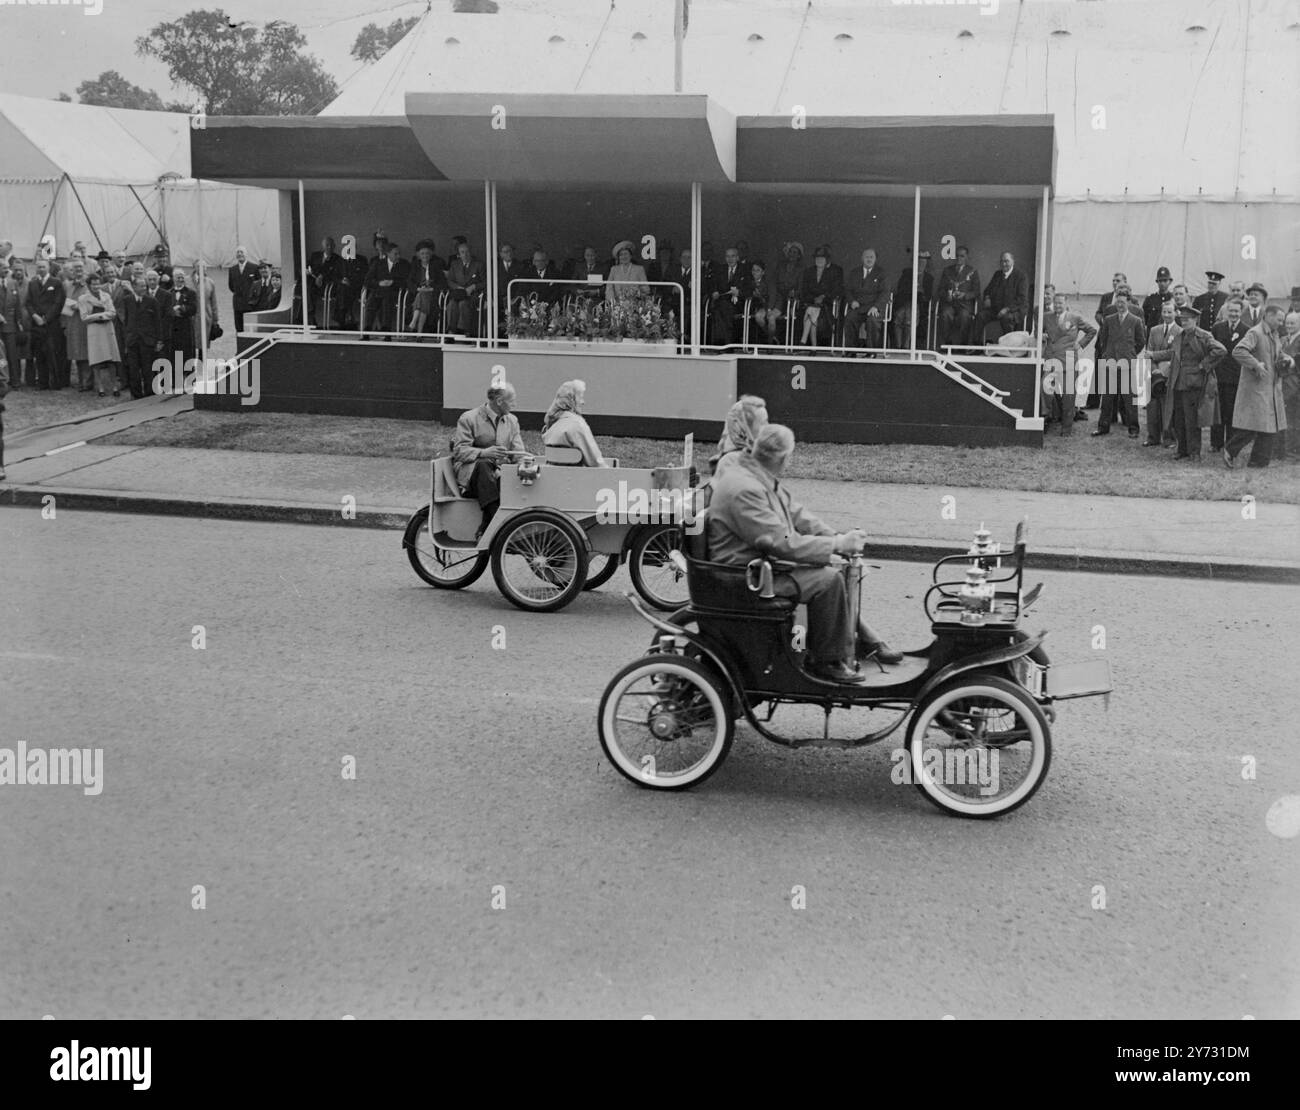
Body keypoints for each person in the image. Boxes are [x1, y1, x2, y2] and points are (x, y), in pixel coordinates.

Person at [707, 423, 900, 684]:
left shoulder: (754, 474)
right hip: (747, 577)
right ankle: (826, 661)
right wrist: (836, 545)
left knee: (834, 573)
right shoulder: (747, 488)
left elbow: (798, 515)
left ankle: (854, 640)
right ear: (784, 458)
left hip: (759, 566)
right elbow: (781, 540)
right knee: (827, 581)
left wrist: (835, 539)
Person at [453, 382, 526, 537]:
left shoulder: (512, 421)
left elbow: (518, 453)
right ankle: (497, 523)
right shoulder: (469, 418)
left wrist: (523, 467)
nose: (515, 404)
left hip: (498, 476)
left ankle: (487, 525)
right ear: (499, 401)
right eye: (512, 400)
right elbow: (459, 451)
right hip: (471, 478)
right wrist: (484, 452)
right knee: (484, 464)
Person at [1224, 305, 1291, 469]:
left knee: (1268, 427)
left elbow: (1277, 353)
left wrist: (1286, 358)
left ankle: (1258, 463)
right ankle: (1230, 451)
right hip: (1257, 387)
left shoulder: (1273, 334)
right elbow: (1238, 351)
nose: (1281, 323)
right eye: (1279, 319)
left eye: (1282, 320)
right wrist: (1255, 364)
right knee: (1255, 425)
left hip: (1270, 387)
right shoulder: (1256, 332)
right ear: (1268, 315)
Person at [1166, 303, 1226, 461]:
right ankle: (1182, 449)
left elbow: (1220, 350)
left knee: (1192, 420)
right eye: (1182, 320)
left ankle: (1194, 452)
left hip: (1194, 383)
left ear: (1195, 320)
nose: (1183, 322)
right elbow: (1173, 354)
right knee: (1179, 419)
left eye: (1187, 320)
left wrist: (1204, 365)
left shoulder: (1204, 336)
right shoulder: (1180, 335)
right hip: (1178, 382)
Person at [1041, 291, 1097, 435]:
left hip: (1069, 361)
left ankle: (1066, 428)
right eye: (1056, 302)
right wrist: (1041, 335)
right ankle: (1047, 417)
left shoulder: (1075, 318)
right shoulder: (1046, 317)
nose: (1058, 305)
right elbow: (1038, 332)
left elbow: (1092, 331)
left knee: (1068, 395)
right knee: (1045, 387)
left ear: (1066, 304)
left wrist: (1081, 344)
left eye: (1060, 303)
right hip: (1052, 359)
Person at [1092, 290, 1144, 437]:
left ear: (1128, 303)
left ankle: (1133, 428)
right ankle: (1103, 427)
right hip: (1111, 363)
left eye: (1123, 302)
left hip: (1127, 364)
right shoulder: (1109, 319)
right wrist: (1108, 355)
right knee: (1107, 397)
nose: (1120, 305)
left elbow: (1140, 342)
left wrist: (1129, 354)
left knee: (1129, 398)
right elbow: (1103, 339)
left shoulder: (1135, 321)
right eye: (1118, 302)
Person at [1209, 298, 1250, 453]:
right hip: (1219, 375)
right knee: (1218, 411)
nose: (1233, 314)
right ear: (1226, 311)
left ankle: (1230, 444)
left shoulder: (1246, 330)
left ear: (1241, 312)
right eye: (1230, 311)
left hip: (1236, 378)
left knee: (1232, 411)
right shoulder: (1217, 328)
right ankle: (1215, 443)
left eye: (1236, 311)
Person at [541, 379, 609, 467]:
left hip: (553, 475)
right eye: (581, 398)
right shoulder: (577, 425)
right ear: (571, 400)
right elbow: (595, 461)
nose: (583, 402)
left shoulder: (552, 424)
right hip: (577, 477)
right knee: (623, 480)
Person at [78, 272, 122, 398]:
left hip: (107, 328)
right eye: (93, 285)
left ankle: (114, 386)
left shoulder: (106, 296)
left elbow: (112, 312)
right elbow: (84, 317)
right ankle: (100, 387)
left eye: (98, 284)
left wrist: (103, 315)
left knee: (111, 360)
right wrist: (99, 315)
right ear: (89, 285)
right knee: (96, 360)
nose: (96, 287)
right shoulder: (83, 299)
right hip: (94, 330)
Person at [1142, 298, 1179, 446]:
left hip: (1169, 374)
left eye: (1170, 312)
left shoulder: (1179, 332)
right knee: (1152, 406)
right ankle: (1152, 437)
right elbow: (1148, 352)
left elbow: (1173, 353)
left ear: (1176, 313)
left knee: (1167, 407)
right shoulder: (1154, 330)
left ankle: (1169, 438)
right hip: (1154, 373)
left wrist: (1155, 357)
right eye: (1164, 311)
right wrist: (1154, 369)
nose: (1167, 315)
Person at [25, 259, 66, 390]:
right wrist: (35, 316)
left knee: (53, 353)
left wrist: (46, 318)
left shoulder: (56, 282)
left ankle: (56, 382)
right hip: (37, 324)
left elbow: (58, 303)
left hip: (52, 324)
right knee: (39, 354)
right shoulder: (32, 283)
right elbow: (28, 303)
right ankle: (43, 383)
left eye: (43, 267)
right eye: (39, 267)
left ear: (48, 268)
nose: (41, 269)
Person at [121, 275, 163, 400]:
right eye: (141, 286)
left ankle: (150, 393)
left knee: (148, 369)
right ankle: (136, 394)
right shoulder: (127, 300)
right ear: (134, 287)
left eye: (145, 286)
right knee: (133, 369)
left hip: (147, 341)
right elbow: (126, 320)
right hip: (132, 340)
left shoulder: (152, 301)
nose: (144, 288)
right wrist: (127, 338)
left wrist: (159, 340)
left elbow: (158, 322)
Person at [708, 394, 767, 475]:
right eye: (763, 422)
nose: (767, 426)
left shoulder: (751, 456)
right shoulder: (733, 462)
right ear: (744, 426)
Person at [843, 248, 888, 351]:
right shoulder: (854, 272)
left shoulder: (881, 273)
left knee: (872, 321)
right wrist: (852, 301)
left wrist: (876, 306)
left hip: (874, 307)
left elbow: (885, 292)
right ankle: (851, 350)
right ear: (862, 258)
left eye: (871, 257)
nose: (869, 259)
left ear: (875, 259)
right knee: (850, 318)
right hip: (859, 306)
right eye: (867, 257)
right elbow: (848, 290)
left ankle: (871, 351)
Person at [978, 252, 1029, 341]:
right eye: (1001, 261)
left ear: (1013, 262)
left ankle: (1009, 347)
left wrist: (1007, 309)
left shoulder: (1021, 276)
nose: (1003, 264)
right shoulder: (997, 274)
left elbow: (1022, 298)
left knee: (1006, 318)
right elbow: (987, 290)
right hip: (997, 309)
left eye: (1006, 261)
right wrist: (987, 298)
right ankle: (975, 346)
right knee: (980, 316)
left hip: (1015, 310)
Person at [937, 245, 980, 347]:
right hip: (950, 303)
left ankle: (962, 344)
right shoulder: (947, 270)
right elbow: (940, 290)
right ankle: (947, 344)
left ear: (967, 257)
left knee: (964, 317)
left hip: (965, 305)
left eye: (962, 256)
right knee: (945, 314)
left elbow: (977, 292)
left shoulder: (972, 271)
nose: (959, 258)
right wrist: (947, 295)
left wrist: (964, 295)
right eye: (957, 256)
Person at [364, 241, 410, 335]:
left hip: (394, 292)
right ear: (388, 254)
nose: (398, 256)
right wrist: (379, 283)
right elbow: (367, 280)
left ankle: (386, 329)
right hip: (378, 291)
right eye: (395, 254)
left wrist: (393, 282)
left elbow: (406, 281)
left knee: (387, 299)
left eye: (399, 254)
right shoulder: (378, 263)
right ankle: (367, 330)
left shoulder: (404, 264)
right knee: (371, 301)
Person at [892, 250, 933, 349]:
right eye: (919, 261)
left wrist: (919, 292)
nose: (921, 264)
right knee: (903, 315)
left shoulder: (929, 278)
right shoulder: (907, 273)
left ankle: (903, 347)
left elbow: (927, 296)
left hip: (920, 305)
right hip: (905, 303)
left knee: (906, 316)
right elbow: (901, 290)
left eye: (923, 262)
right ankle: (900, 346)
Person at [799, 247, 840, 346]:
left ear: (827, 260)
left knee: (812, 313)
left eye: (822, 258)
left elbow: (836, 290)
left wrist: (824, 297)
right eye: (817, 258)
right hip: (811, 303)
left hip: (827, 306)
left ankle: (804, 341)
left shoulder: (833, 273)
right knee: (812, 312)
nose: (819, 260)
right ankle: (813, 347)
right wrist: (814, 299)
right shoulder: (809, 272)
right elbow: (804, 291)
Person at [709, 246, 749, 344]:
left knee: (720, 311)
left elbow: (749, 288)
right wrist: (714, 292)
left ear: (738, 257)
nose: (730, 259)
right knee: (719, 311)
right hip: (722, 302)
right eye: (727, 256)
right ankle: (726, 342)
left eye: (733, 256)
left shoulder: (745, 270)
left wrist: (739, 292)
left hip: (739, 304)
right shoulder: (720, 269)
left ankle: (722, 343)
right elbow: (712, 285)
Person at [446, 238, 485, 337]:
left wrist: (474, 286)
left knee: (463, 304)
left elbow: (486, 282)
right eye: (462, 252)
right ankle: (451, 331)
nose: (465, 254)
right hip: (458, 294)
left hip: (473, 295)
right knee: (451, 305)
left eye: (467, 252)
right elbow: (450, 280)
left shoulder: (479, 264)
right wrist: (458, 287)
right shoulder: (455, 264)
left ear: (471, 252)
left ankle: (468, 331)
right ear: (459, 254)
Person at [408, 240, 446, 334]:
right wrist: (417, 289)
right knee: (422, 295)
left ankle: (414, 321)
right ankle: (419, 333)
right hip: (418, 293)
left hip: (433, 295)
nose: (425, 255)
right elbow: (409, 281)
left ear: (431, 254)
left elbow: (443, 283)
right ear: (418, 255)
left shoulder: (436, 266)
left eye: (427, 253)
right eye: (422, 253)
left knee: (422, 296)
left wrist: (432, 289)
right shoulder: (415, 266)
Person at [63, 259, 91, 391]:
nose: (78, 270)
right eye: (75, 268)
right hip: (72, 322)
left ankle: (88, 381)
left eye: (80, 267)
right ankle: (82, 380)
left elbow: (95, 301)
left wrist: (79, 306)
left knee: (86, 352)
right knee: (77, 352)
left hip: (85, 322)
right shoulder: (68, 285)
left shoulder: (89, 283)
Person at [306, 237, 343, 328]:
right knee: (306, 288)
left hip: (326, 285)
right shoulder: (315, 255)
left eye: (331, 245)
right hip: (313, 281)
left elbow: (335, 274)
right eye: (327, 245)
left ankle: (310, 315)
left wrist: (322, 276)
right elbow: (308, 265)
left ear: (334, 247)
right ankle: (309, 316)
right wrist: (307, 270)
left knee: (309, 290)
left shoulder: (337, 259)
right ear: (322, 247)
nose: (329, 247)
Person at [746, 260, 779, 344]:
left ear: (763, 272)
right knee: (758, 317)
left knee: (771, 318)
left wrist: (769, 309)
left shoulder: (768, 281)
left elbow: (773, 295)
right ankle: (771, 336)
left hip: (775, 304)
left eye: (758, 270)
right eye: (753, 270)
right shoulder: (750, 282)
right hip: (763, 306)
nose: (755, 272)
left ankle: (770, 343)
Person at [228, 246, 259, 333]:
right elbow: (231, 286)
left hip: (251, 305)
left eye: (241, 252)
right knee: (239, 329)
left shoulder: (254, 267)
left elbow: (258, 284)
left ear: (246, 254)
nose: (240, 254)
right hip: (238, 305)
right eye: (238, 252)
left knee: (251, 329)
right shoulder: (232, 269)